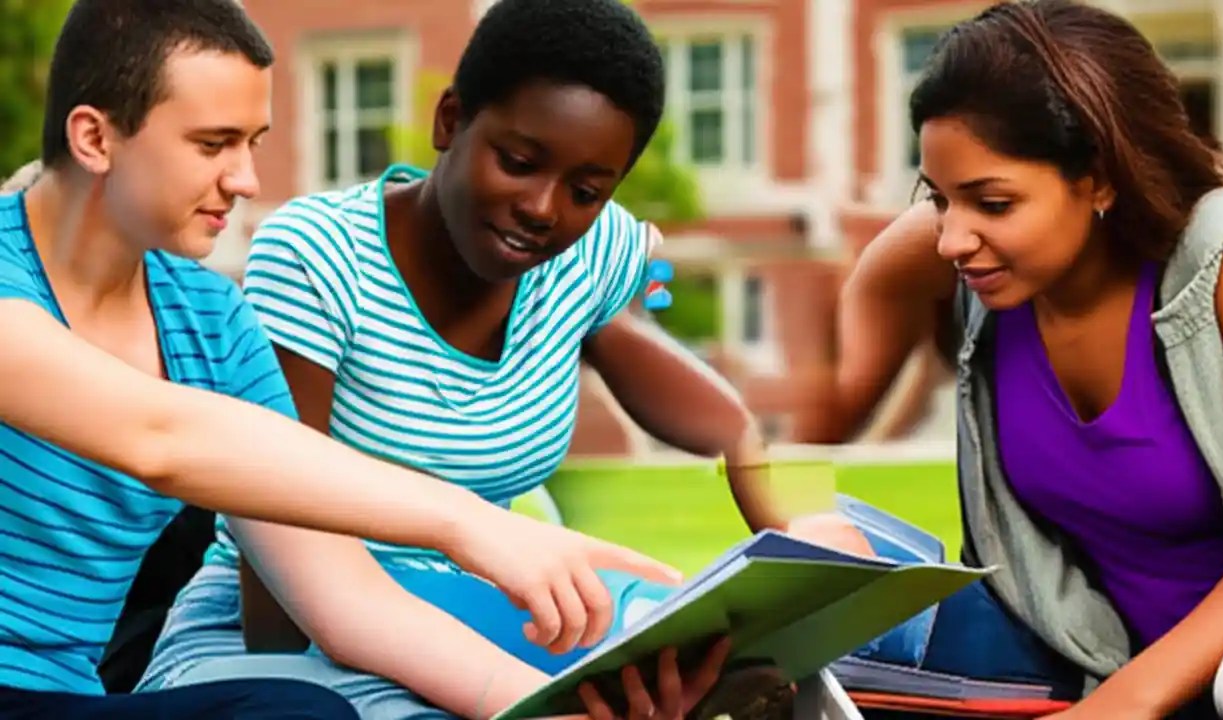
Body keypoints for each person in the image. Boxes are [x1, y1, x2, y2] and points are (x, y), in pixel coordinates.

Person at [138, 0, 873, 718]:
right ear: (451, 121)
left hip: (493, 606)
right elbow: (287, 585)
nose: (545, 208)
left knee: (714, 656)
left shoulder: (585, 254)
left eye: (586, 190)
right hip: (299, 638)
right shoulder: (317, 258)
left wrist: (798, 513)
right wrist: (493, 688)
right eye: (520, 162)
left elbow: (728, 425)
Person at [0, 0, 699, 717]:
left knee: (303, 713)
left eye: (253, 144)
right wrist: (468, 521)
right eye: (214, 145)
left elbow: (345, 599)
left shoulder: (214, 323)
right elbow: (159, 438)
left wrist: (539, 708)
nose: (245, 181)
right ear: (94, 137)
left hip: (65, 701)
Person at [812, 1, 1223, 718]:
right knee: (812, 580)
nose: (950, 238)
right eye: (938, 199)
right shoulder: (971, 252)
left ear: (1099, 178)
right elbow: (824, 382)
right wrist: (806, 518)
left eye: (991, 202)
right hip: (1086, 657)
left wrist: (1127, 704)